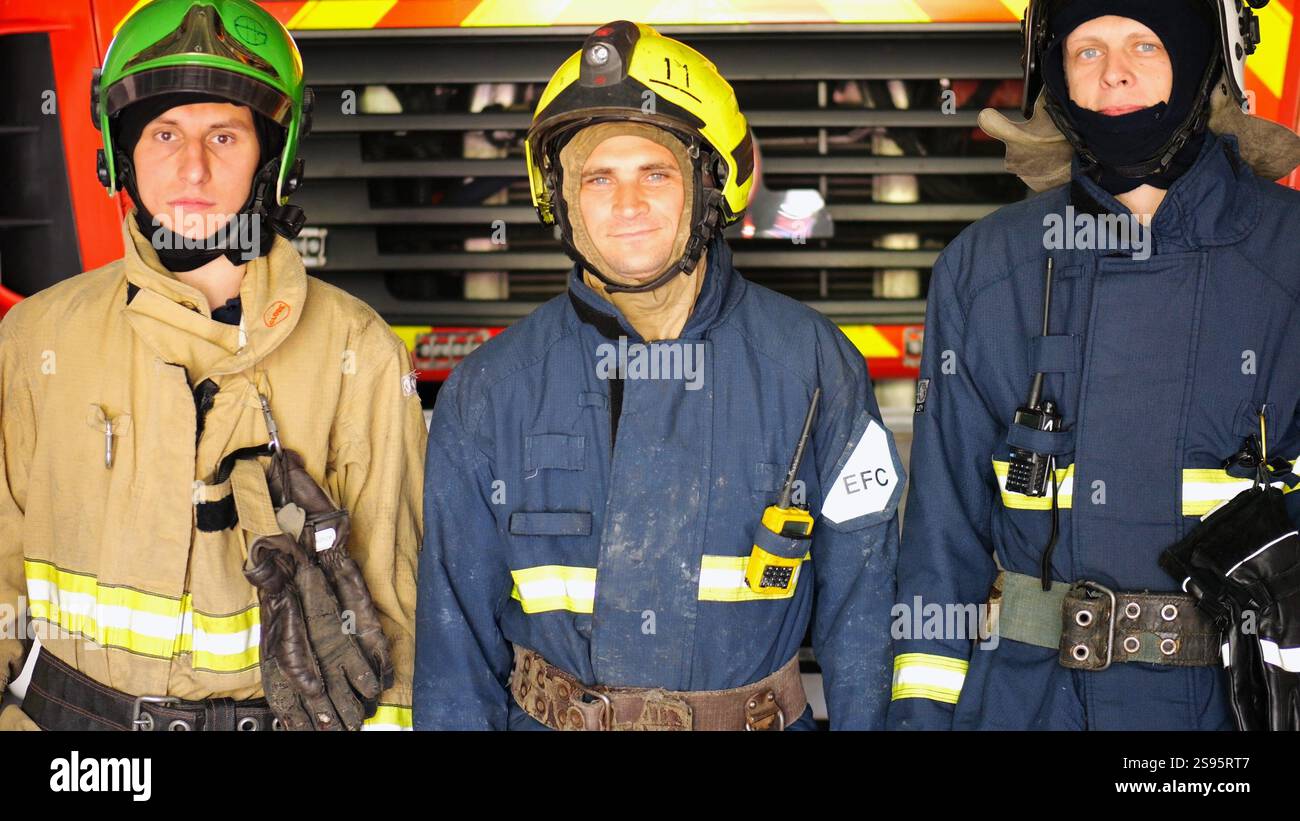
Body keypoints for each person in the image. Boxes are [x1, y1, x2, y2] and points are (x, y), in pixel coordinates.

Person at [414, 20, 903, 730]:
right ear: (562, 199)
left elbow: (865, 617)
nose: (628, 205)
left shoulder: (815, 367)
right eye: (598, 177)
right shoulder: (489, 390)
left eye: (655, 172)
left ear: (711, 186)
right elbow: (453, 654)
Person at [0, 0, 426, 731]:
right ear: (121, 150)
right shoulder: (37, 337)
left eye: (223, 135)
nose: (191, 166)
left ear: (275, 156)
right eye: (164, 133)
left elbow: (395, 625)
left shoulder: (361, 354)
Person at [889, 0, 1300, 730]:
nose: (1115, 74)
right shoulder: (985, 270)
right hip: (1032, 703)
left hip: (1233, 713)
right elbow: (940, 544)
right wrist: (921, 718)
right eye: (1087, 50)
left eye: (1145, 44)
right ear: (1052, 74)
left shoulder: (1289, 254)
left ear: (1206, 56)